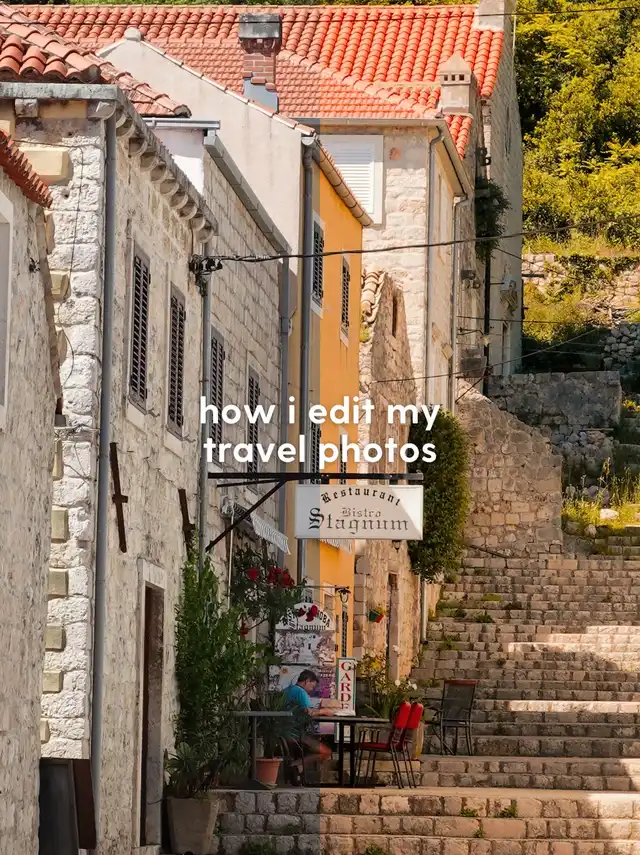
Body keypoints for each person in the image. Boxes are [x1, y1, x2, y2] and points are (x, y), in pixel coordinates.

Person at [283, 670, 333, 783]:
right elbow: (310, 712)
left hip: (284, 733)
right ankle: (296, 764)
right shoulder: (300, 691)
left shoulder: (287, 690)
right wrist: (324, 711)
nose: (312, 690)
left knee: (314, 741)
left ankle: (298, 768)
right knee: (326, 751)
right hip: (295, 735)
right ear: (307, 681)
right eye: (312, 686)